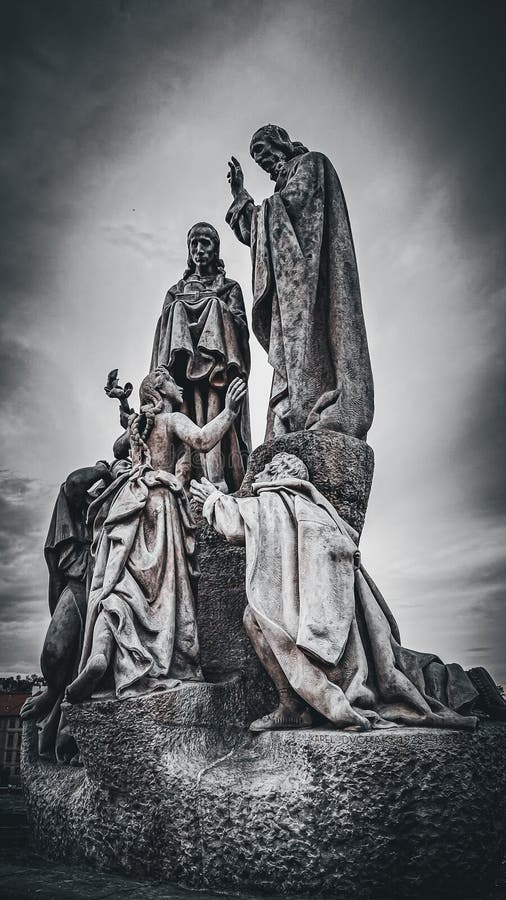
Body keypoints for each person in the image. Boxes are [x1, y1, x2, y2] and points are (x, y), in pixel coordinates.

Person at [191, 453, 506, 732]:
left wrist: (213, 499)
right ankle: (471, 684)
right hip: (337, 627)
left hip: (310, 625)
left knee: (256, 618)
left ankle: (294, 707)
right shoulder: (317, 509)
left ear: (276, 475)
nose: (255, 477)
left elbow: (237, 525)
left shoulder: (277, 501)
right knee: (398, 672)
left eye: (262, 471)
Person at [66, 368, 246, 703]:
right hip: (159, 504)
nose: (180, 386)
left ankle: (101, 654)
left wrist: (123, 404)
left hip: (127, 502)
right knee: (160, 592)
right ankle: (159, 659)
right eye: (173, 382)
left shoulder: (138, 426)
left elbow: (122, 439)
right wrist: (230, 411)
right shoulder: (172, 419)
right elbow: (204, 440)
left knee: (117, 585)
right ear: (160, 391)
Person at [226, 124, 374, 441]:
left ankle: (323, 406)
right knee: (294, 357)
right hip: (293, 290)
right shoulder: (281, 191)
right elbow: (261, 231)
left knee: (316, 342)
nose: (262, 160)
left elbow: (292, 212)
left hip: (315, 281)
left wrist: (258, 208)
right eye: (256, 156)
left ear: (282, 144)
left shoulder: (311, 165)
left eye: (264, 150)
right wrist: (240, 196)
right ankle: (294, 413)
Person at [20, 460, 124, 762]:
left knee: (96, 660)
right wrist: (105, 469)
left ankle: (72, 726)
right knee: (55, 650)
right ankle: (54, 691)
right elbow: (74, 484)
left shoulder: (129, 494)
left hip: (108, 587)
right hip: (79, 583)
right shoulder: (80, 505)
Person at [150, 222, 251, 492]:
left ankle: (215, 480)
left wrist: (213, 308)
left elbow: (241, 329)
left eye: (205, 243)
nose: (199, 250)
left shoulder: (229, 288)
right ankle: (183, 480)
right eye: (194, 244)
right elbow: (163, 331)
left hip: (216, 372)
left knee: (215, 411)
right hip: (182, 376)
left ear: (215, 249)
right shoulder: (175, 292)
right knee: (177, 309)